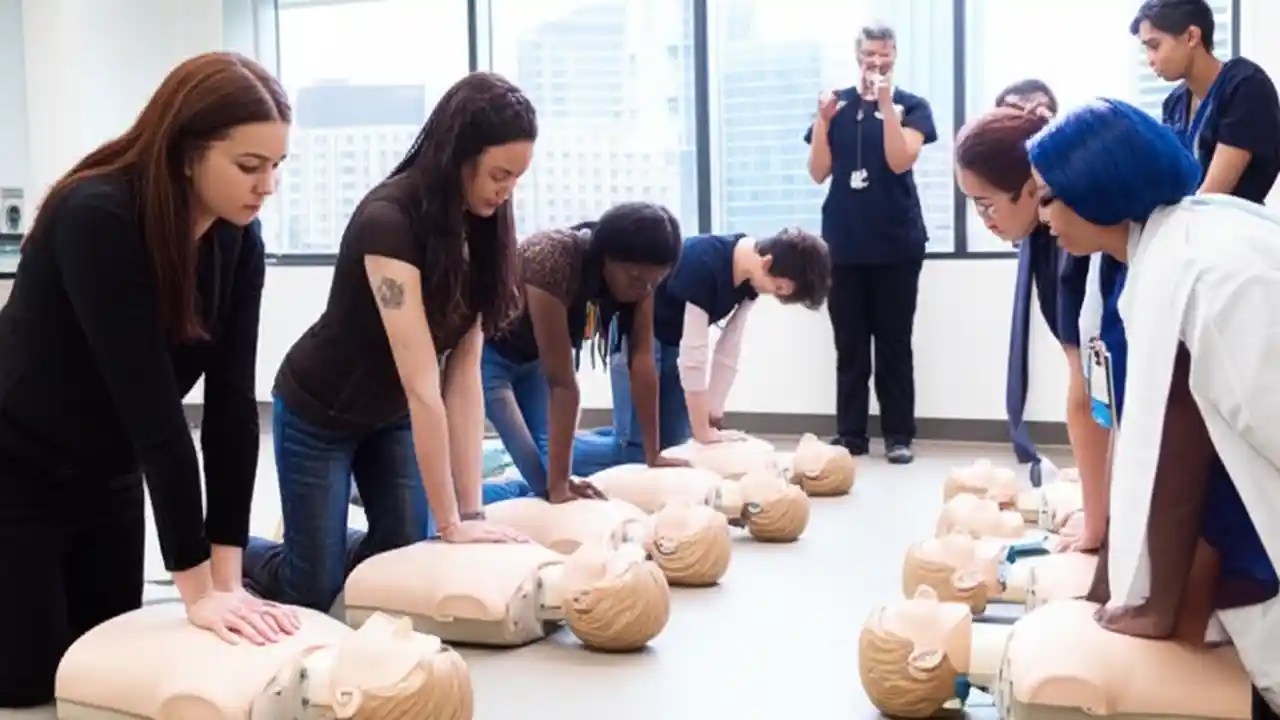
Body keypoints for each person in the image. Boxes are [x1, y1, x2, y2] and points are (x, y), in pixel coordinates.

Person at [0, 52, 298, 709]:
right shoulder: (97, 217)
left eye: (277, 166)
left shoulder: (237, 240)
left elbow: (228, 412)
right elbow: (156, 413)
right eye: (250, 166)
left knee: (100, 669)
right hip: (18, 469)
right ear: (188, 151)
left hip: (109, 472)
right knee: (25, 685)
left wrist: (225, 581)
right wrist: (192, 590)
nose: (267, 184)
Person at [241, 71, 536, 613]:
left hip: (390, 416)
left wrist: (470, 518)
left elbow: (463, 377)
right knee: (314, 590)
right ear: (460, 154)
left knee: (405, 555)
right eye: (499, 174)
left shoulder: (484, 226)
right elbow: (423, 384)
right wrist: (449, 524)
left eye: (516, 178)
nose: (506, 190)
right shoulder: (390, 221)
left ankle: (322, 543)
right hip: (319, 414)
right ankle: (236, 552)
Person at [1026, 97, 1279, 718]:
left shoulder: (1205, 269)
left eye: (1049, 197)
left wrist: (1149, 598)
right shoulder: (1147, 255)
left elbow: (1197, 426)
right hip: (1234, 506)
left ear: (1099, 188)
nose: (1042, 215)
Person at [954, 102, 1107, 552]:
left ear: (1029, 188)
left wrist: (1096, 523)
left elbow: (1091, 397)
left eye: (986, 205)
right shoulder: (1046, 237)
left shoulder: (1072, 242)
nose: (984, 221)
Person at [482, 203, 686, 500]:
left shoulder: (641, 282)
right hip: (491, 355)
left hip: (534, 361)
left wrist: (652, 454)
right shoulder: (551, 259)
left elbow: (642, 364)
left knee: (551, 470)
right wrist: (558, 484)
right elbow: (562, 382)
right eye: (635, 278)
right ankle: (463, 505)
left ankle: (519, 488)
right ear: (607, 259)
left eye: (655, 281)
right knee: (539, 475)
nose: (644, 288)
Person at [804, 22, 938, 464]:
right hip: (843, 243)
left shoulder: (912, 106)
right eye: (869, 57)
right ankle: (851, 436)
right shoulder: (836, 106)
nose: (876, 63)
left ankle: (899, 436)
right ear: (858, 56)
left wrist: (885, 103)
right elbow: (818, 171)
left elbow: (901, 160)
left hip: (897, 242)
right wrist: (823, 121)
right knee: (850, 344)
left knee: (895, 342)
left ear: (895, 54)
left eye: (884, 55)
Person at [584, 228, 832, 462]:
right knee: (636, 451)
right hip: (638, 341)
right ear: (766, 262)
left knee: (673, 449)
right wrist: (702, 429)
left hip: (672, 342)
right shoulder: (704, 262)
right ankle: (551, 453)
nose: (773, 294)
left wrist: (712, 412)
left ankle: (599, 437)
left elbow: (729, 347)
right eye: (778, 288)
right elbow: (694, 354)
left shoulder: (750, 279)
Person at [1131, 0, 1280, 201]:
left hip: (1234, 225)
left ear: (1192, 36)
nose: (1150, 59)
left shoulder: (1245, 85)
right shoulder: (1174, 103)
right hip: (1188, 224)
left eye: (1155, 46)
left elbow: (1210, 198)